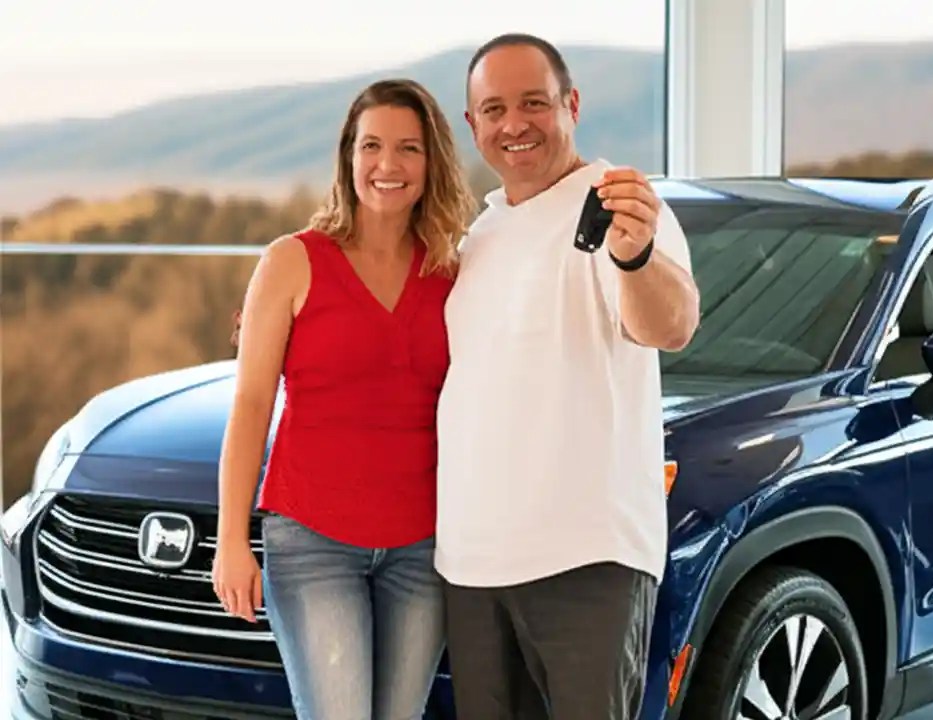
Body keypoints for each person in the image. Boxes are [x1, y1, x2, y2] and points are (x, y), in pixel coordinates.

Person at [435, 33, 701, 720]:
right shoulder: (482, 234)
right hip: (472, 561)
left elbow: (669, 325)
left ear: (571, 104)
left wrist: (636, 258)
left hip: (586, 556)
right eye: (493, 109)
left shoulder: (618, 206)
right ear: (473, 125)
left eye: (533, 103)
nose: (513, 124)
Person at [211, 78, 474, 720]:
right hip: (312, 540)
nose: (388, 165)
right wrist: (230, 539)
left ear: (431, 161)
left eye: (409, 149)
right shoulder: (291, 263)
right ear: (348, 158)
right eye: (372, 146)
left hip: (425, 544)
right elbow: (250, 405)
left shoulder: (454, 270)